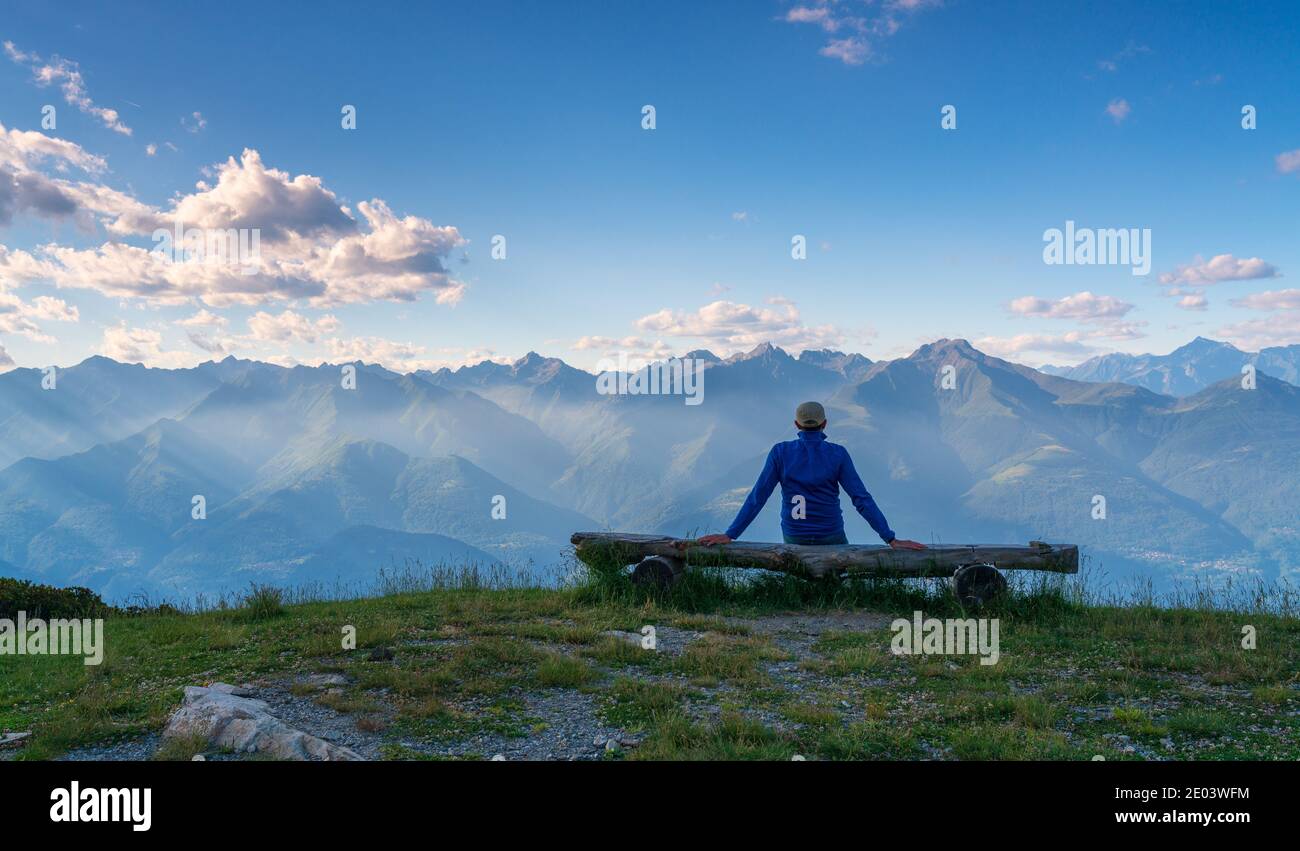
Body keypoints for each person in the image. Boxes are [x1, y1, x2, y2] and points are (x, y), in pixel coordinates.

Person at [696, 401, 926, 550]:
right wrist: (890, 538)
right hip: (831, 535)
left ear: (796, 424)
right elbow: (861, 499)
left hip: (794, 536)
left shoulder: (780, 452)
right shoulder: (838, 454)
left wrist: (731, 534)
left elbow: (758, 497)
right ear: (825, 424)